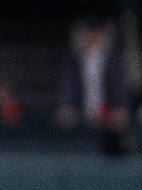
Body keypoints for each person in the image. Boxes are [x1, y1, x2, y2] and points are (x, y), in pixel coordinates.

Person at [56, 16, 131, 153]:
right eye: (88, 33)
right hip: (81, 119)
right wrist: (66, 107)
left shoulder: (113, 59)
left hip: (107, 119)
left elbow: (119, 86)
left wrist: (120, 108)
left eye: (95, 33)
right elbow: (68, 85)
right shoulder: (74, 59)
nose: (91, 37)